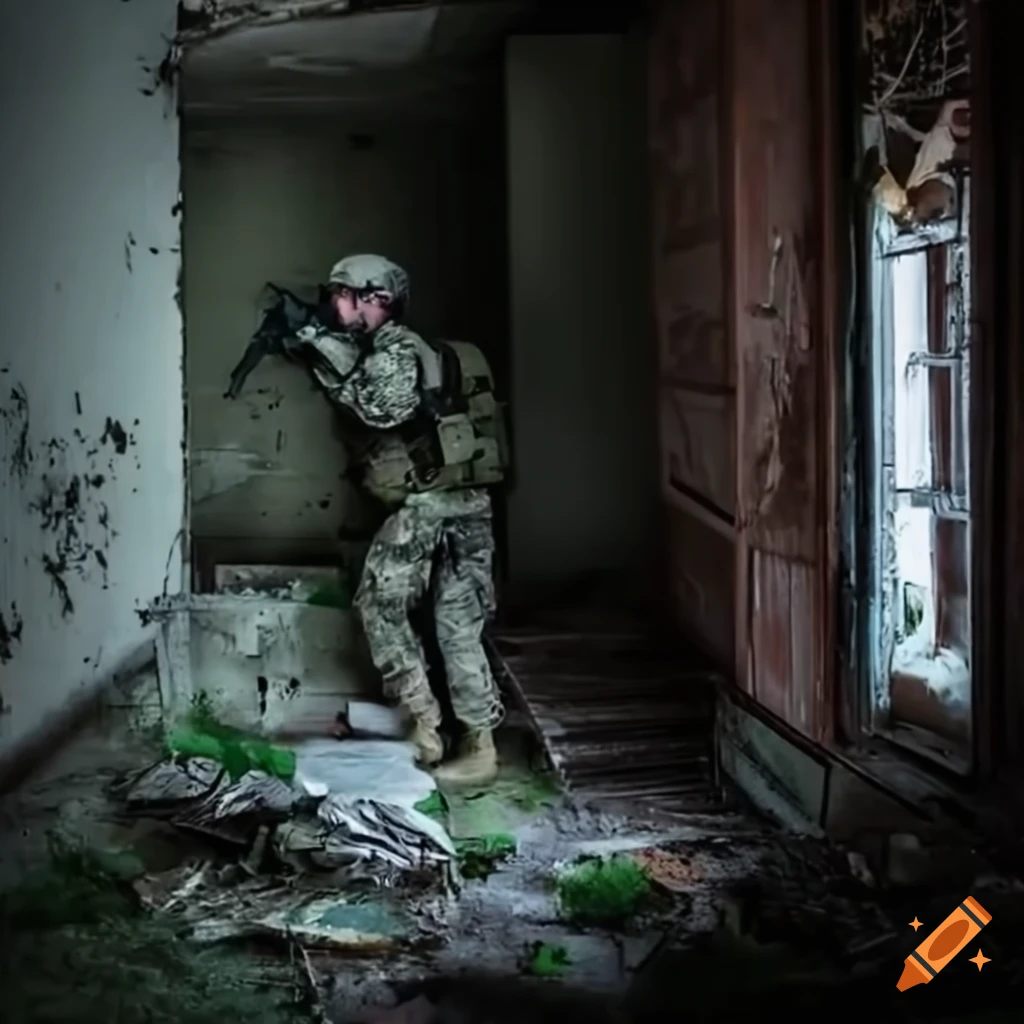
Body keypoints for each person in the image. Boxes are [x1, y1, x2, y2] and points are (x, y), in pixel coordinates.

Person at [286, 254, 508, 787]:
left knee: (381, 606)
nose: (334, 302)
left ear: (376, 301)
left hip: (427, 505)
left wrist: (316, 346)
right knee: (458, 625)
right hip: (468, 501)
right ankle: (479, 746)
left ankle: (425, 728)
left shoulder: (398, 348)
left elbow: (380, 408)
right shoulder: (412, 350)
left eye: (343, 293)